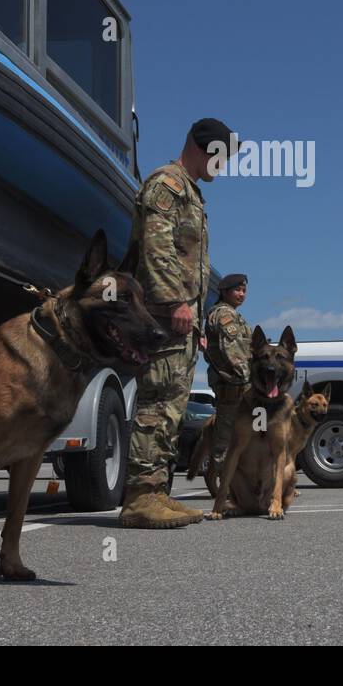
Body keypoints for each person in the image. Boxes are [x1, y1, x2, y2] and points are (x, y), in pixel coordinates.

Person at [119, 118, 235, 529]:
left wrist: (197, 319)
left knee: (172, 405)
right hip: (163, 315)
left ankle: (156, 493)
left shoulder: (191, 193)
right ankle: (138, 499)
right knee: (156, 403)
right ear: (203, 147)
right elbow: (156, 249)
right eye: (221, 158)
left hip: (183, 319)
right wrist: (174, 303)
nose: (223, 168)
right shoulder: (166, 185)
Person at [202, 273, 250, 491]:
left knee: (242, 434)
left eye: (244, 290)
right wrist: (248, 378)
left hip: (236, 382)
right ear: (224, 291)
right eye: (237, 290)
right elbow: (233, 352)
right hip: (233, 383)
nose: (241, 294)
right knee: (226, 436)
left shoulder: (233, 315)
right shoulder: (224, 315)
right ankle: (227, 489)